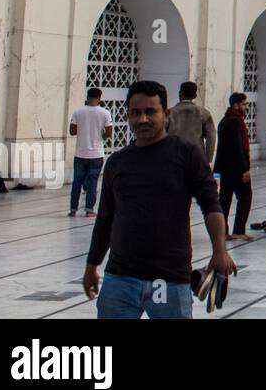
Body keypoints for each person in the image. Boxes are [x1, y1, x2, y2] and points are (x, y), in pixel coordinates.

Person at [83, 80, 234, 319]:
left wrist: (220, 251)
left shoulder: (186, 154)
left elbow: (211, 205)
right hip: (120, 278)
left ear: (166, 114)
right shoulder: (117, 162)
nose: (142, 119)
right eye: (136, 113)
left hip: (169, 279)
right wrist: (92, 266)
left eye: (150, 112)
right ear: (129, 116)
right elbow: (105, 219)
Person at [68, 88, 113, 217]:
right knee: (93, 181)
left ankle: (73, 209)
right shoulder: (105, 113)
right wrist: (101, 135)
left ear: (87, 97)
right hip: (96, 154)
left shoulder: (78, 112)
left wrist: (83, 130)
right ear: (99, 98)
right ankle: (89, 210)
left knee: (77, 181)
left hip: (80, 153)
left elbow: (72, 131)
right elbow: (109, 134)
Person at [214, 92, 253, 240]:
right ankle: (239, 230)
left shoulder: (225, 120)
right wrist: (244, 169)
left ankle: (223, 232)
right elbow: (237, 147)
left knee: (225, 199)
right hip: (236, 168)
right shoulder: (236, 121)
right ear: (236, 105)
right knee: (245, 197)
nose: (245, 107)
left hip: (225, 168)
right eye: (244, 104)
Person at [167, 81, 216, 164]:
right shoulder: (204, 113)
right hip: (196, 158)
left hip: (174, 157)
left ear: (180, 94)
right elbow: (211, 137)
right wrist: (208, 159)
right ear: (195, 95)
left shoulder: (169, 113)